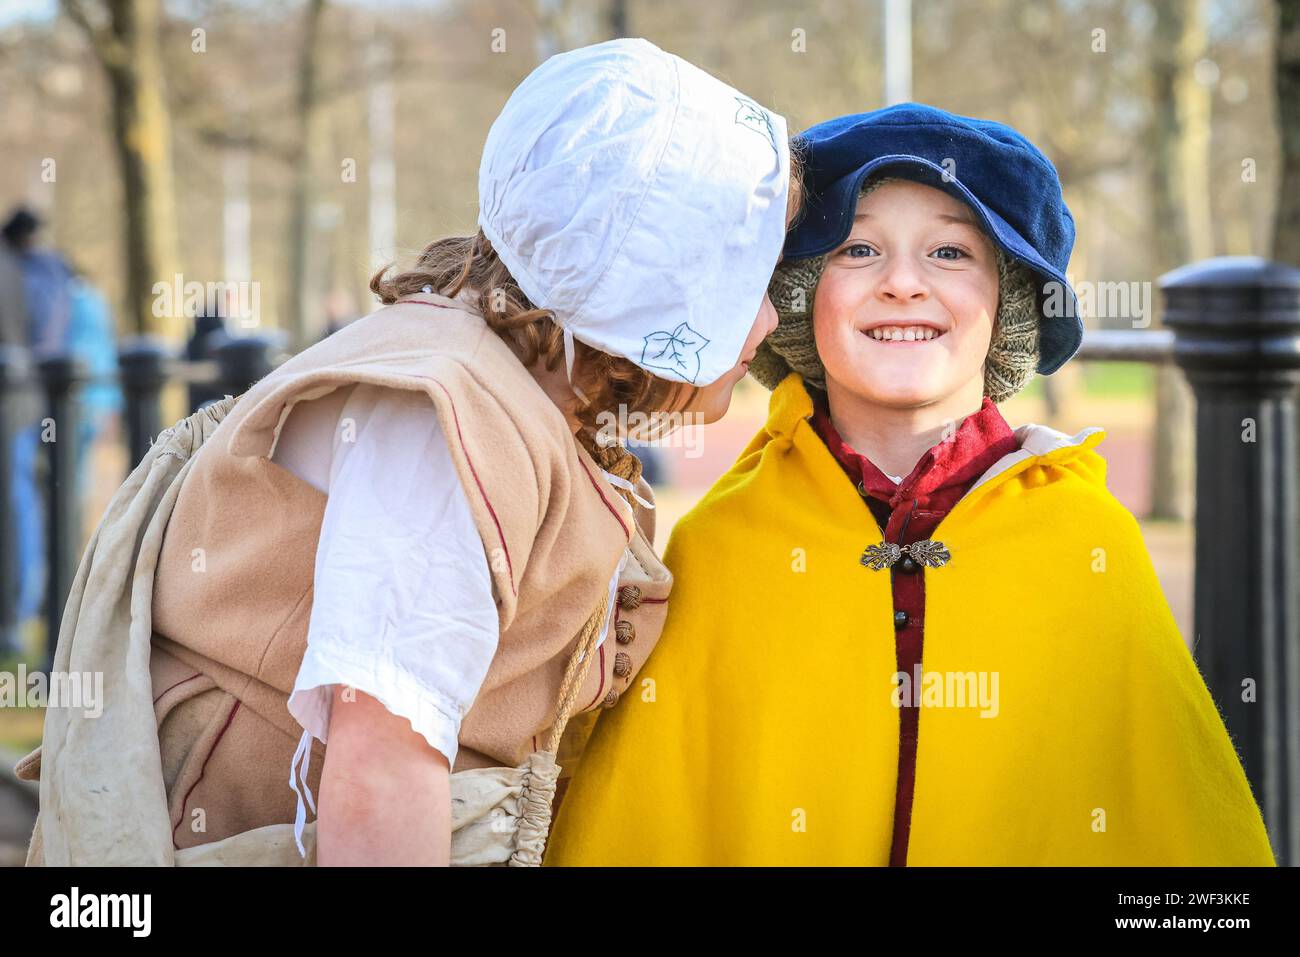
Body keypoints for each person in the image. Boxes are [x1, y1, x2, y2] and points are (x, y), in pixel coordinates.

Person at [22, 37, 800, 867]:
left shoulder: (516, 403)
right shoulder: (444, 425)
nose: (766, 321)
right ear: (658, 291)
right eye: (748, 283)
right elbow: (383, 763)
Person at [543, 103, 1277, 866]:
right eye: (857, 248)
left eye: (951, 252)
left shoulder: (1089, 544)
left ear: (1010, 301)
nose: (902, 283)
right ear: (797, 295)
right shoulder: (724, 544)